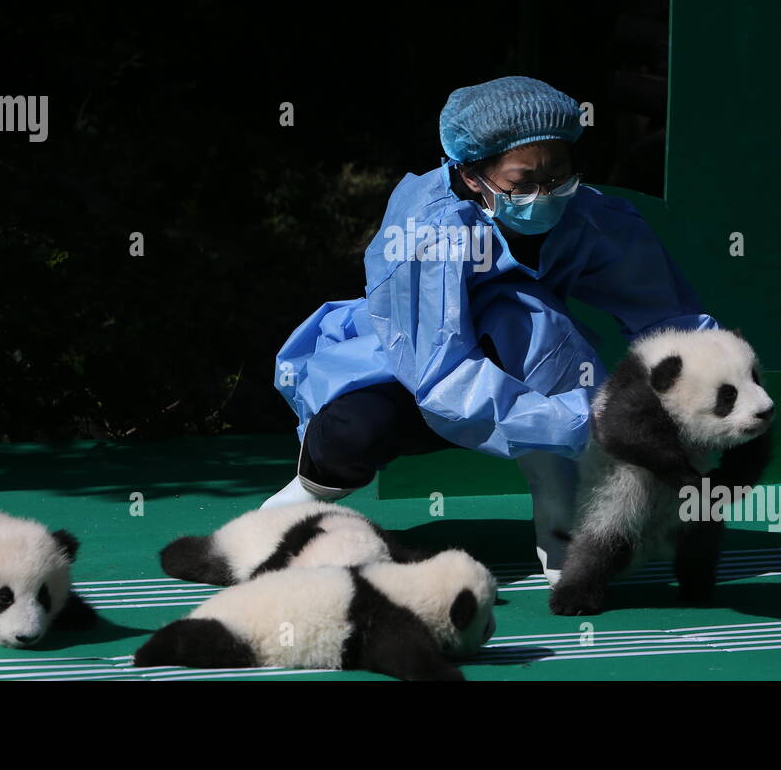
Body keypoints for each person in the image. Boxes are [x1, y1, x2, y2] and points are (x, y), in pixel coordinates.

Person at [265, 75, 718, 585]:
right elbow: (442, 376)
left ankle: (562, 524)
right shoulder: (426, 233)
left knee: (532, 323)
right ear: (472, 173)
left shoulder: (586, 213)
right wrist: (585, 424)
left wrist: (705, 387)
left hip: (521, 363)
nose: (545, 195)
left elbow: (666, 316)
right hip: (411, 368)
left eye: (560, 175)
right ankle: (290, 509)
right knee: (354, 429)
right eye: (522, 183)